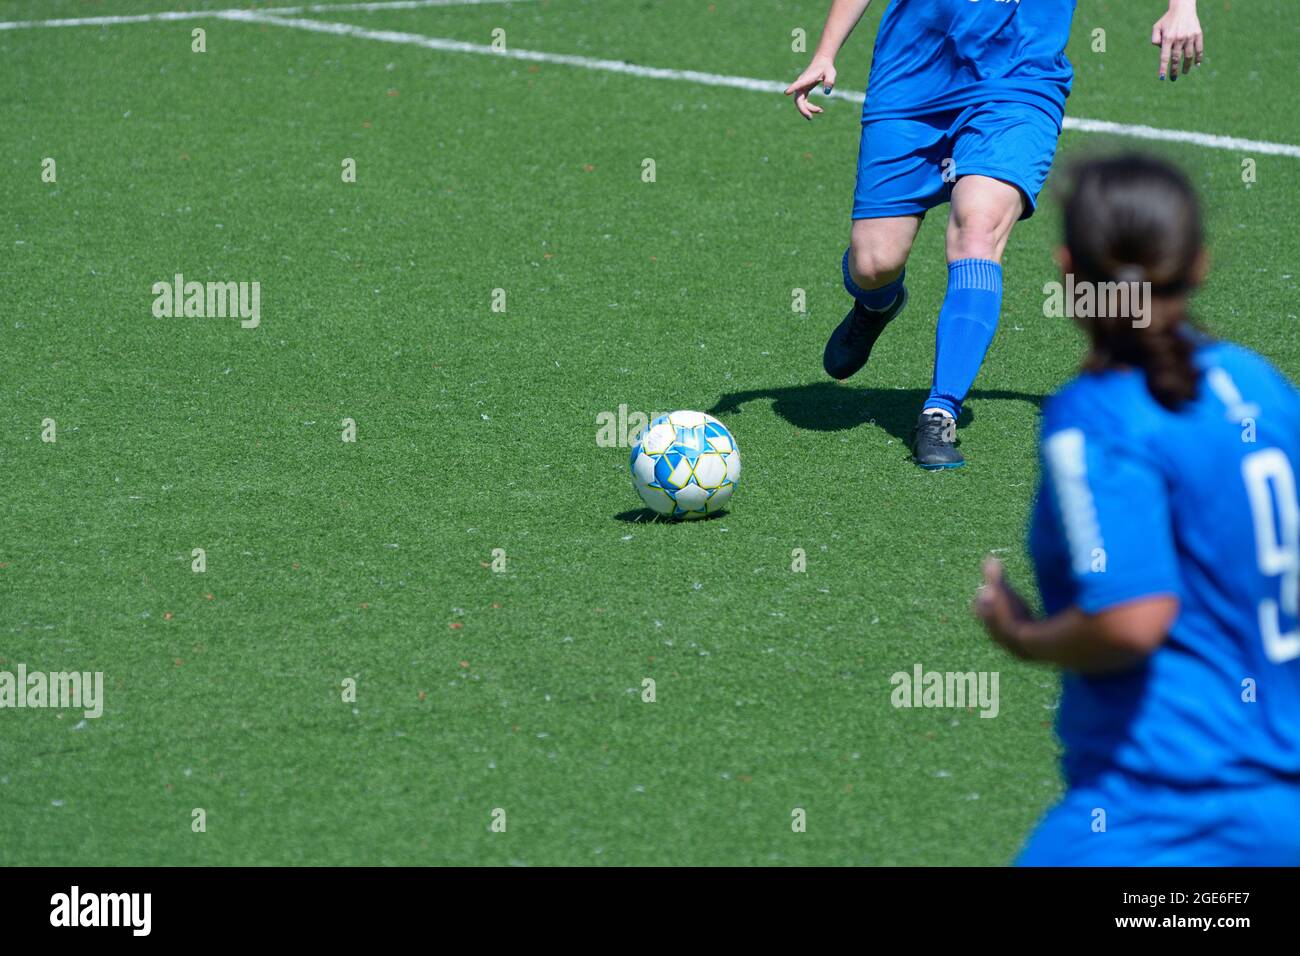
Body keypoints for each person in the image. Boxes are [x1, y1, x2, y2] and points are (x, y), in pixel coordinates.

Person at [975, 154, 1300, 865]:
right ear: (1200, 264)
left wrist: (1023, 635)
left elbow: (1133, 618)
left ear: (1067, 272)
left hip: (1168, 817)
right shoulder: (1261, 386)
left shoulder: (1098, 420)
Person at [786, 0, 1205, 468]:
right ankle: (876, 303)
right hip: (912, 74)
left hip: (1017, 81)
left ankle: (939, 410)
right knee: (874, 263)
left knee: (978, 228)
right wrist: (825, 51)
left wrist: (1182, 7)